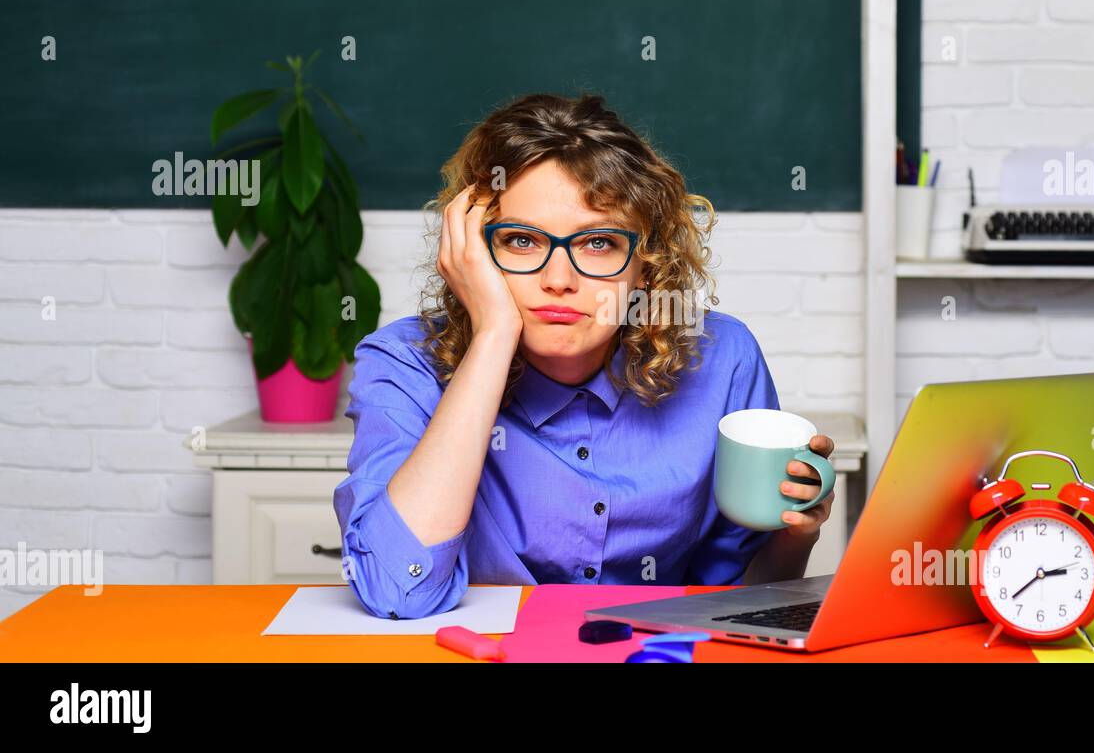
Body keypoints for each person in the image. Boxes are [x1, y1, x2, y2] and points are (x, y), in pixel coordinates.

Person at [333, 93, 836, 619]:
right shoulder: (404, 362)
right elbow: (396, 591)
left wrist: (796, 534)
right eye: (521, 240)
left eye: (598, 243)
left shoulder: (722, 359)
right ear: (472, 253)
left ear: (645, 264)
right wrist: (493, 335)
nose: (558, 281)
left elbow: (739, 601)